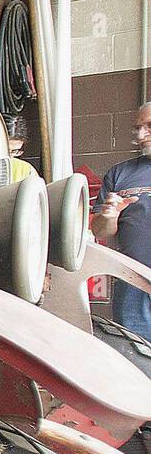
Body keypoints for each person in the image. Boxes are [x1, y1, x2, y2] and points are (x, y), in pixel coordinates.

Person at [94, 102, 151, 339]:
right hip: (132, 286)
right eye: (138, 128)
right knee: (133, 361)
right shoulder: (119, 174)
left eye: (149, 127)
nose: (140, 136)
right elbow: (100, 230)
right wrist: (109, 216)